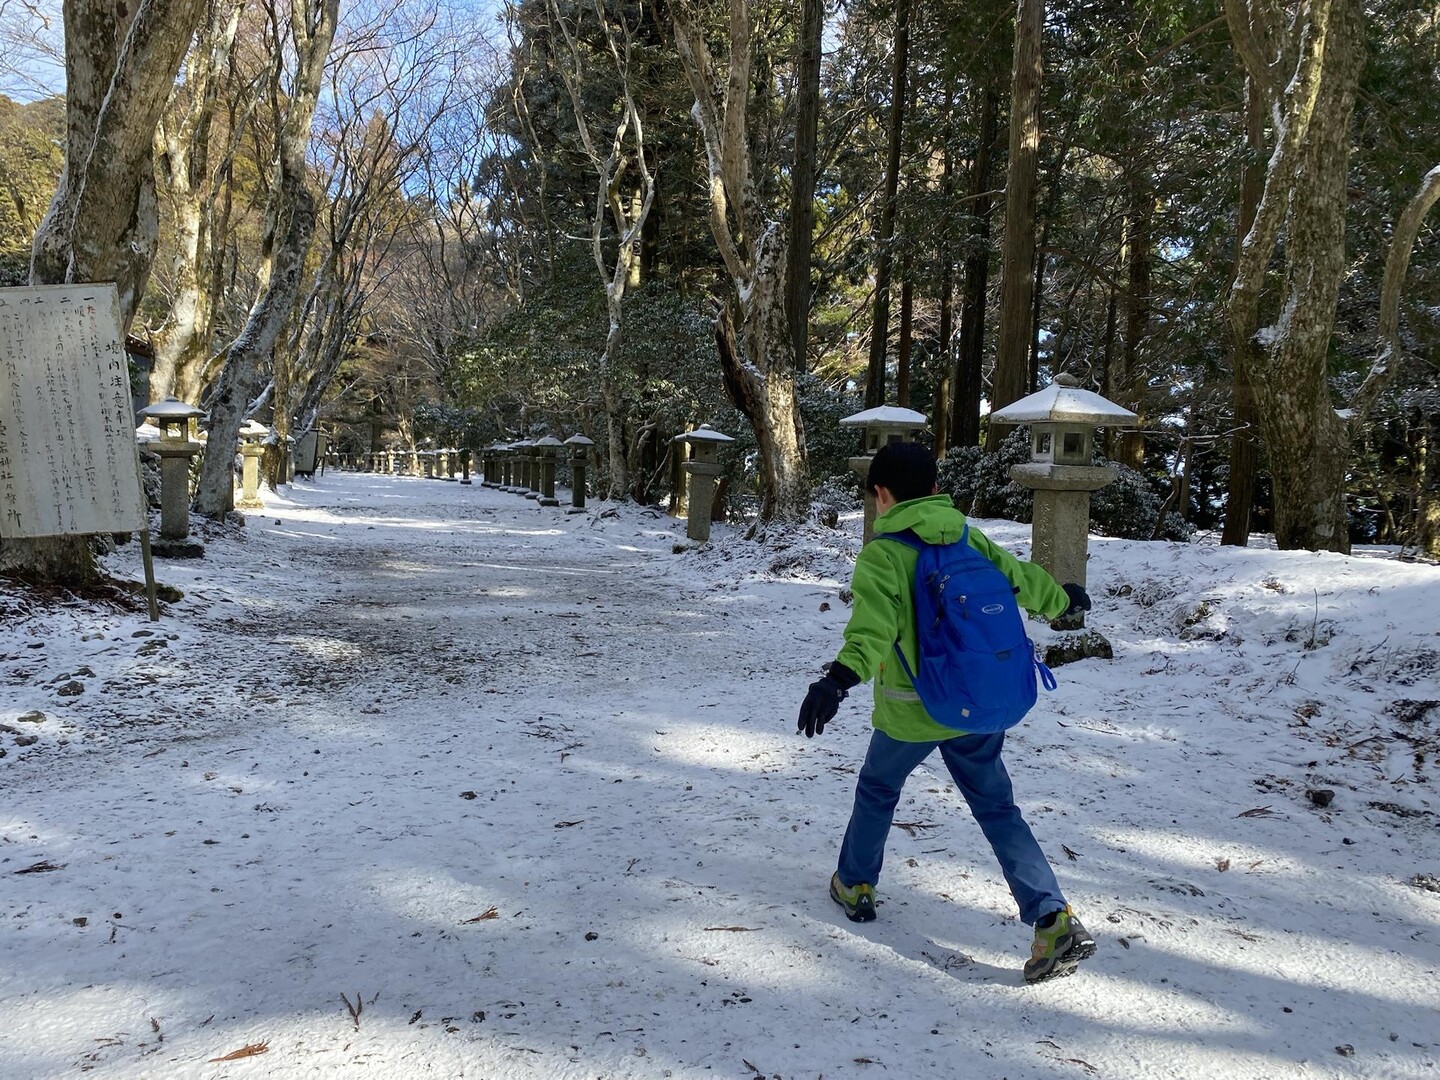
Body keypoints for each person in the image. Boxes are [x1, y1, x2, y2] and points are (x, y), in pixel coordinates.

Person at [797, 441, 1096, 983]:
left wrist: (837, 681)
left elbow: (873, 630)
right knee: (998, 809)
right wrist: (1064, 600)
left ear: (881, 495)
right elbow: (1021, 579)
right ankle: (1052, 919)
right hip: (978, 703)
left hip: (913, 712)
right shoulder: (969, 537)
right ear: (936, 489)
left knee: (878, 789)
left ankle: (856, 883)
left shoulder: (883, 555)